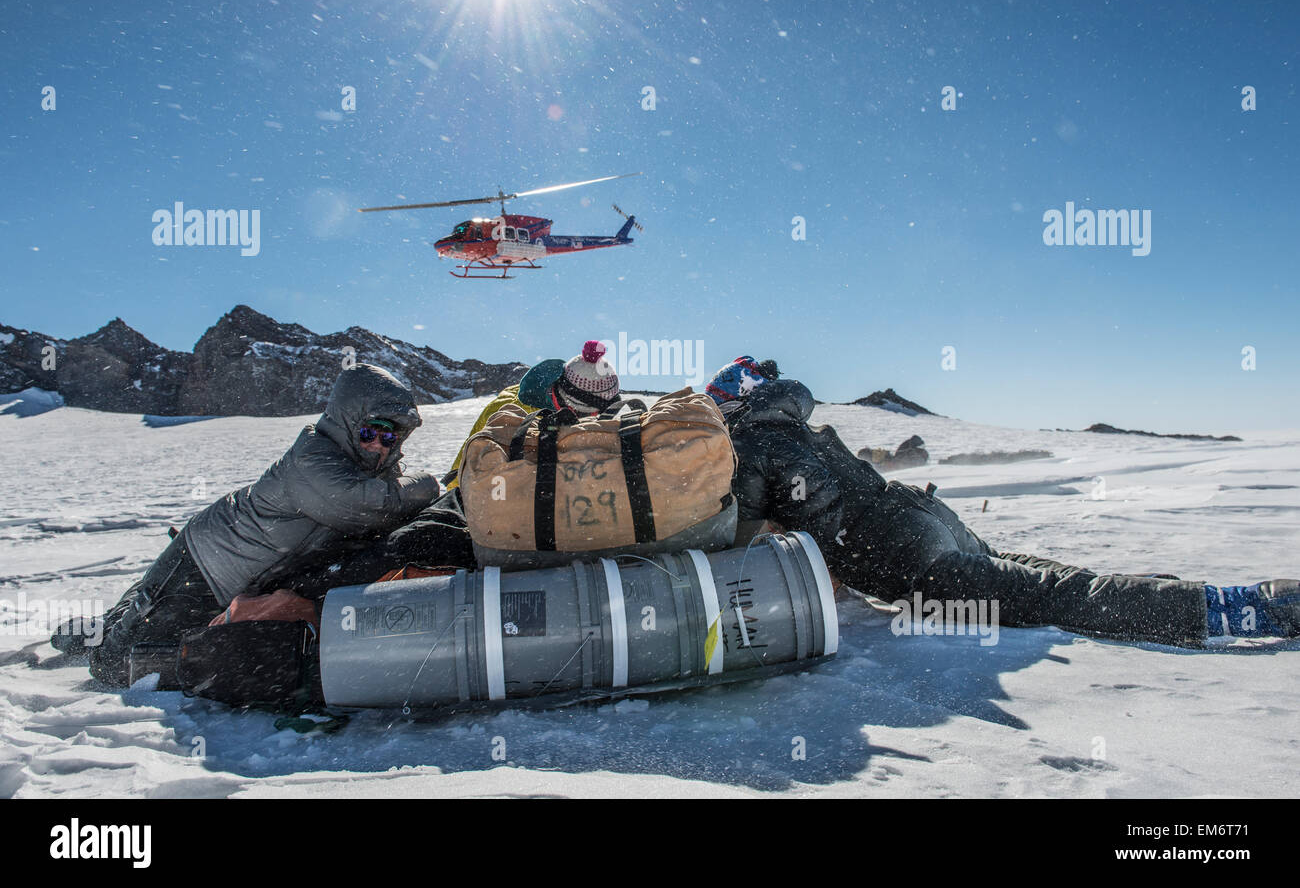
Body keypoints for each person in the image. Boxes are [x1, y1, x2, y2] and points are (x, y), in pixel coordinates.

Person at [707, 357, 1300, 647]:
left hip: (907, 561)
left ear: (733, 403)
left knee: (1053, 599)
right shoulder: (806, 430)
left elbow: (738, 544)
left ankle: (1241, 607)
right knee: (1034, 576)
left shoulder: (750, 444)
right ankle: (1167, 592)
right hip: (924, 517)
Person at [54, 363, 441, 686]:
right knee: (117, 666)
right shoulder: (314, 460)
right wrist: (430, 484)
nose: (380, 444)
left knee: (188, 641)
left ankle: (127, 610)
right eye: (370, 430)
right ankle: (91, 631)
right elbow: (368, 506)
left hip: (236, 578)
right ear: (345, 420)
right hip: (201, 567)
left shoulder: (366, 468)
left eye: (391, 435)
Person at [384, 340, 624, 571]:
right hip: (476, 501)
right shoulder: (513, 414)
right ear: (567, 402)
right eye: (589, 415)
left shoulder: (577, 410)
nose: (591, 422)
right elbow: (475, 479)